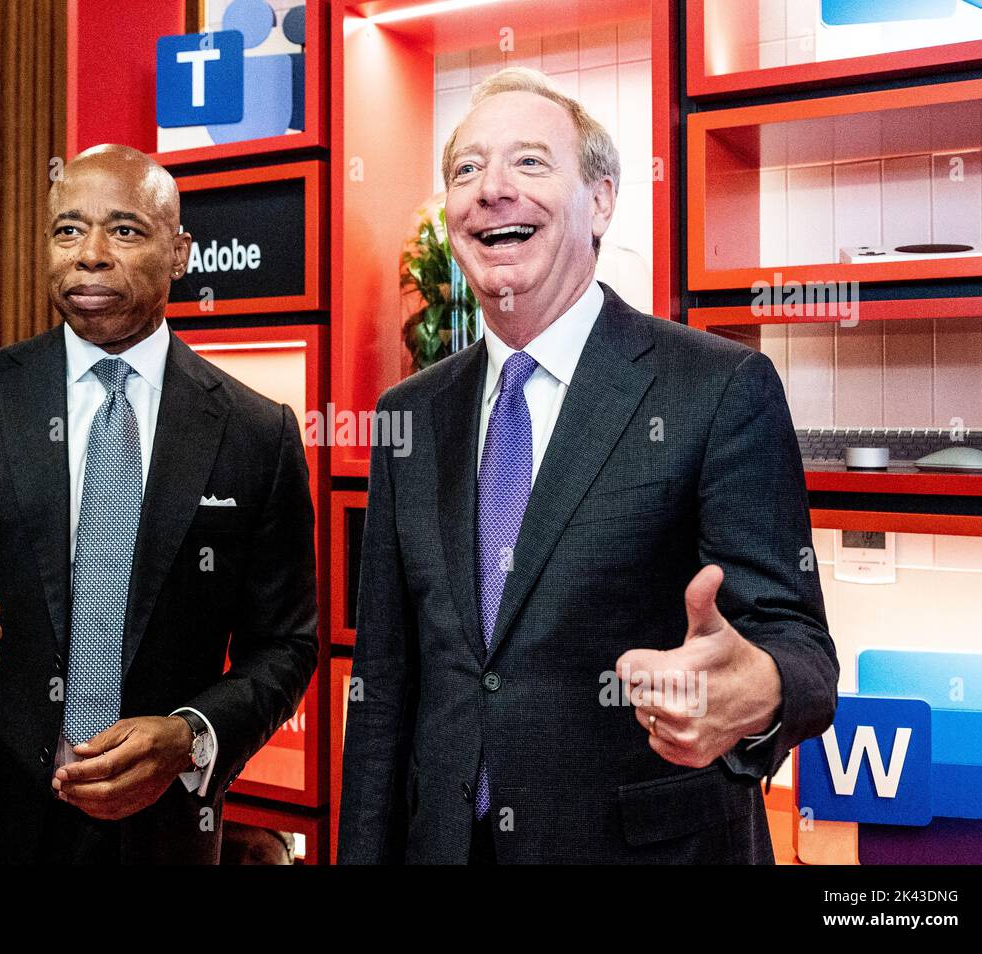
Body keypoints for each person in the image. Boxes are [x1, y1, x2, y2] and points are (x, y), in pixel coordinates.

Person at [337, 68, 837, 864]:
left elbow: (802, 647)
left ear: (600, 200)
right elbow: (382, 689)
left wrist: (757, 688)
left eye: (530, 163)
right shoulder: (409, 414)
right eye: (466, 170)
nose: (491, 189)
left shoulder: (718, 387)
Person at [0, 144, 318, 864]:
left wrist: (190, 735)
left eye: (124, 230)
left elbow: (286, 644)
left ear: (181, 252)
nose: (90, 255)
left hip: (156, 839)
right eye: (68, 230)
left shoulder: (257, 433)